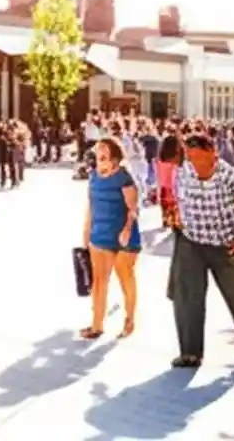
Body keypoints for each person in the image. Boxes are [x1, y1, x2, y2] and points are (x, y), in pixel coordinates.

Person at [170, 133, 234, 368]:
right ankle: (191, 353)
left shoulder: (230, 177)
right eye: (191, 158)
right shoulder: (185, 170)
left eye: (201, 158)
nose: (196, 164)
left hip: (225, 244)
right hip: (192, 241)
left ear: (214, 154)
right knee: (188, 296)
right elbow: (179, 196)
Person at [81, 138, 141, 340]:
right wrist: (86, 232)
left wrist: (126, 229)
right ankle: (96, 325)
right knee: (99, 282)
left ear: (115, 157)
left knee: (125, 278)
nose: (100, 153)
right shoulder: (93, 177)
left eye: (105, 150)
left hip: (124, 236)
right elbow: (90, 206)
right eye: (98, 151)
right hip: (100, 234)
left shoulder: (123, 177)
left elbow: (133, 209)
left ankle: (129, 320)